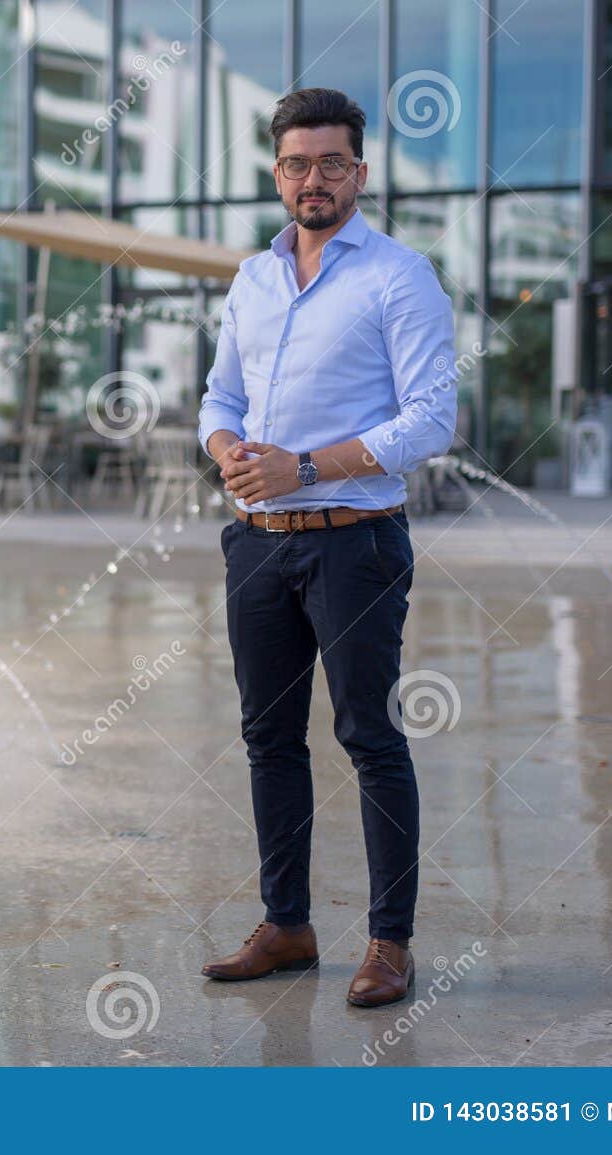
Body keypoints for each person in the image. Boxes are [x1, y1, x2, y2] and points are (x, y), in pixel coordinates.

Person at [195, 88, 457, 1008]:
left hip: (357, 543)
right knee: (269, 737)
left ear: (361, 172)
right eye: (298, 164)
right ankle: (288, 923)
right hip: (257, 545)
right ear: (278, 174)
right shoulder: (251, 280)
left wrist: (301, 468)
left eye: (333, 163)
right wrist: (230, 451)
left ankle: (391, 942)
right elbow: (217, 399)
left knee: (371, 736)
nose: (315, 179)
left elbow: (430, 419)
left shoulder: (399, 275)